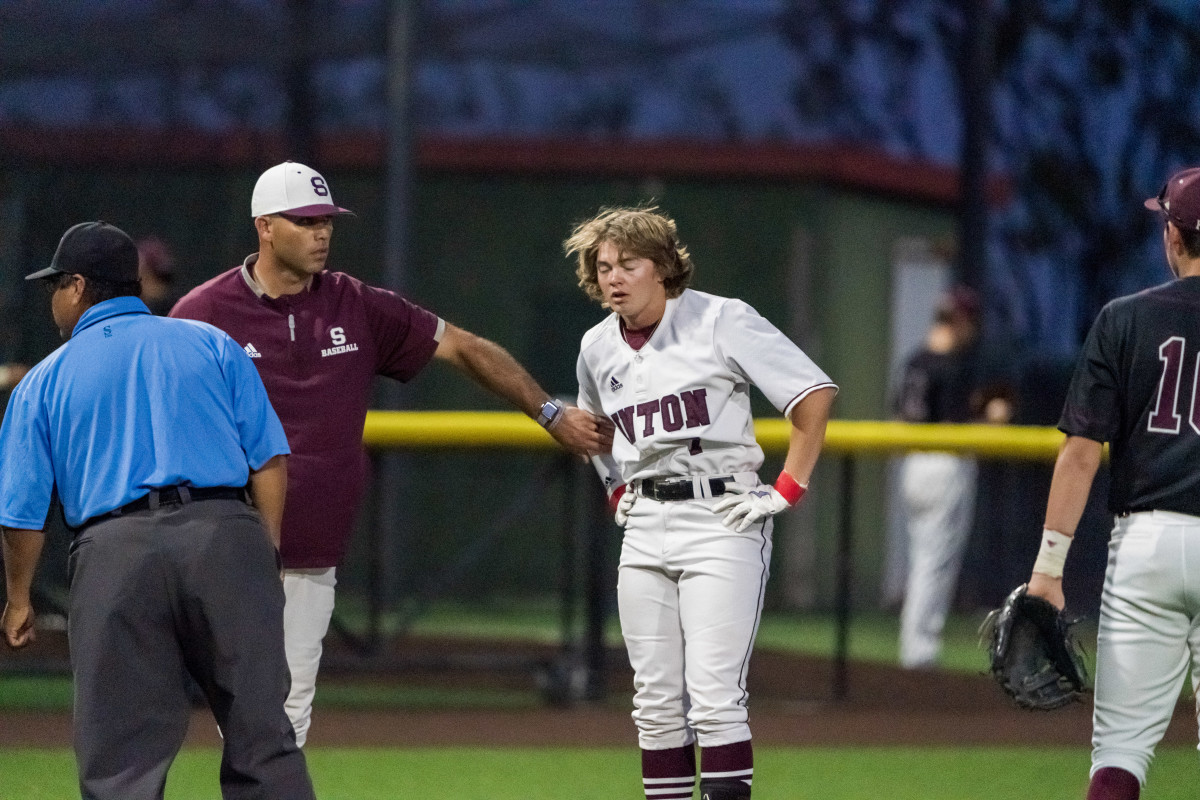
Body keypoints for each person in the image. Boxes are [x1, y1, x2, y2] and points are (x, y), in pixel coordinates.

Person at [170, 161, 614, 747]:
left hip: (311, 555)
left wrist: (549, 412)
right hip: (226, 550)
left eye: (327, 220)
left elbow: (463, 347)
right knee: (231, 717)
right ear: (265, 227)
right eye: (304, 221)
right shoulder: (202, 314)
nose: (322, 232)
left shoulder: (354, 304)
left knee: (283, 719)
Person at [0, 221, 314, 799]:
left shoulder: (41, 382)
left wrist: (19, 598)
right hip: (225, 536)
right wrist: (263, 546)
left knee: (121, 758)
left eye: (54, 285)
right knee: (263, 740)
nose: (52, 298)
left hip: (115, 553)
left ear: (76, 286)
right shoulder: (210, 342)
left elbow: (21, 513)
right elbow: (268, 457)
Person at [566, 206, 837, 800]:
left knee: (714, 698)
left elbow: (812, 396)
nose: (613, 277)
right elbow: (591, 431)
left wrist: (787, 489)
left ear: (661, 267)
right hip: (644, 524)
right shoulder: (596, 346)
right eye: (604, 266)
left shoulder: (721, 319)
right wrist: (614, 485)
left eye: (627, 264)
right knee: (656, 703)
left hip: (722, 518)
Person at [1022, 166, 1200, 800]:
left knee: (1121, 754)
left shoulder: (1124, 319)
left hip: (1147, 548)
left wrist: (1048, 571)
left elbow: (1078, 454)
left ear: (1172, 237)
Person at [892, 285, 1013, 669]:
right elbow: (961, 425)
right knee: (935, 563)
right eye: (970, 321)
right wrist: (991, 419)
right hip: (945, 467)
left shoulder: (914, 361)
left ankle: (915, 645)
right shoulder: (954, 366)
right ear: (960, 321)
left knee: (922, 558)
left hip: (912, 467)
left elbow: (900, 413)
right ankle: (919, 651)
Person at [136, 234, 184, 316]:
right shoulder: (121, 307)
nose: (159, 285)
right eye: (149, 276)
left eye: (163, 278)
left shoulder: (175, 307)